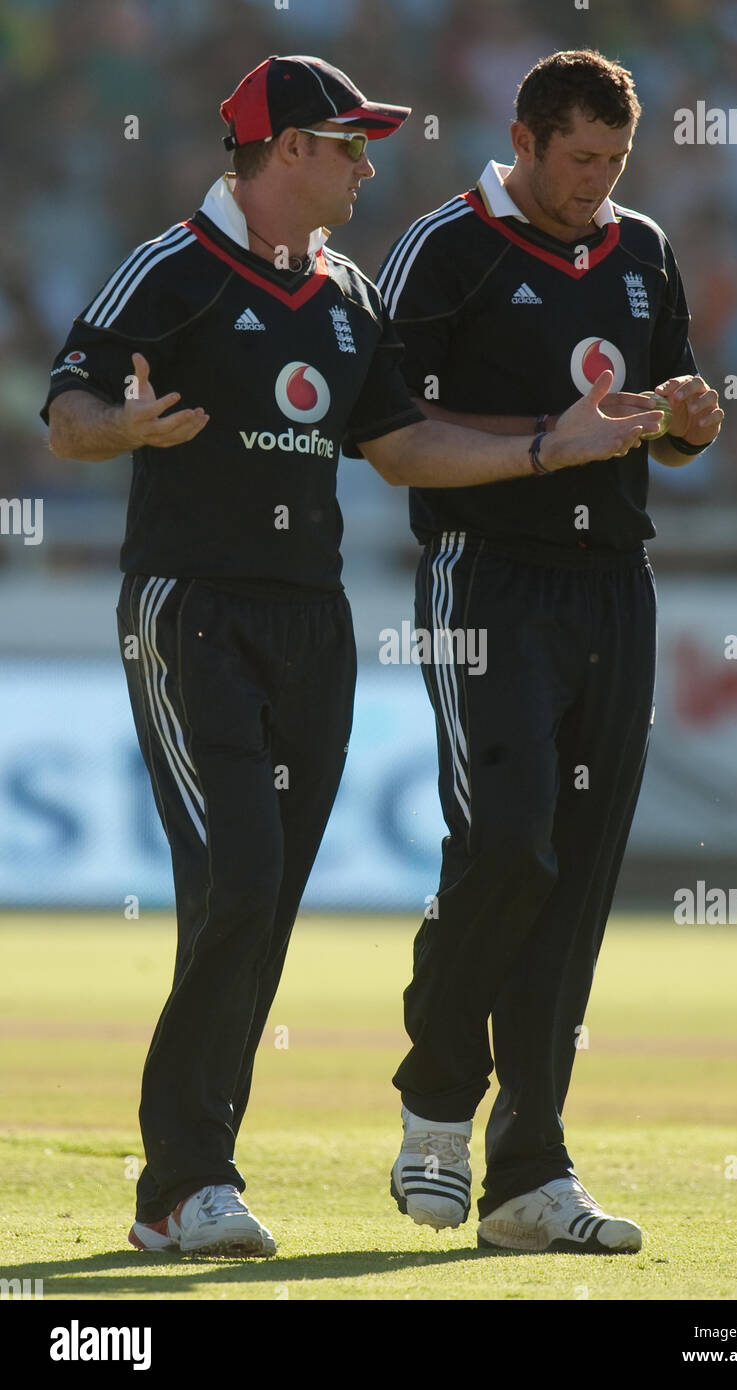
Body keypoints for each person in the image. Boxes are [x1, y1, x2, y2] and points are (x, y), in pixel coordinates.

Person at [41, 54, 661, 1259]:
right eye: (347, 145)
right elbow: (66, 412)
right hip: (192, 611)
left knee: (259, 899)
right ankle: (182, 1183)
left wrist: (551, 445)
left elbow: (402, 444)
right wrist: (121, 426)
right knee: (241, 874)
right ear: (282, 151)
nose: (369, 164)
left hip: (312, 625)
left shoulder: (345, 291)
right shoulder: (171, 268)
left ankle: (198, 1182)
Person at [380, 48, 723, 1254]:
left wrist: (682, 428)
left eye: (616, 162)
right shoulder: (445, 248)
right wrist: (549, 442)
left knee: (573, 879)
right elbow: (391, 437)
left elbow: (647, 424)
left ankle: (529, 1172)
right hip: (491, 577)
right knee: (509, 840)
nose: (599, 183)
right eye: (580, 159)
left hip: (614, 584)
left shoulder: (642, 250)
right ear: (523, 140)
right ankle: (434, 1102)